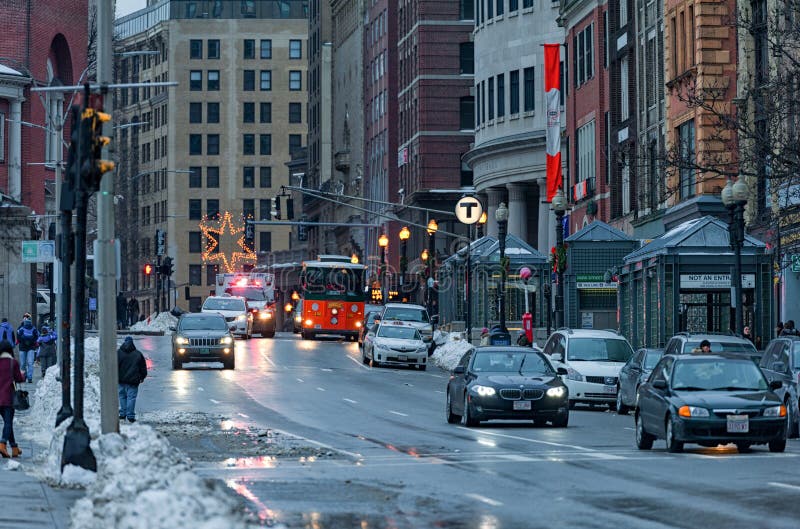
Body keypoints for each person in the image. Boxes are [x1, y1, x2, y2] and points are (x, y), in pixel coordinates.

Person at [0, 340, 25, 458]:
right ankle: (2, 444)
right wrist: (23, 374)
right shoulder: (12, 363)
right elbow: (19, 379)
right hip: (7, 398)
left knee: (7, 423)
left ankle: (14, 447)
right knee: (8, 422)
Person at [117, 336, 147, 423]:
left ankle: (123, 414)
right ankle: (130, 416)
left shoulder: (118, 353)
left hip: (121, 380)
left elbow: (114, 365)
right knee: (131, 398)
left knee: (122, 396)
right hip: (133, 381)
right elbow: (143, 368)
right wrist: (142, 377)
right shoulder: (138, 354)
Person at [16, 316, 39, 384]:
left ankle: (28, 377)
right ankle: (27, 377)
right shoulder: (31, 328)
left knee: (24, 364)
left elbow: (18, 338)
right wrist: (32, 342)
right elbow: (36, 337)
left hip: (24, 347)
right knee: (29, 363)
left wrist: (24, 342)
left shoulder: (21, 328)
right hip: (29, 347)